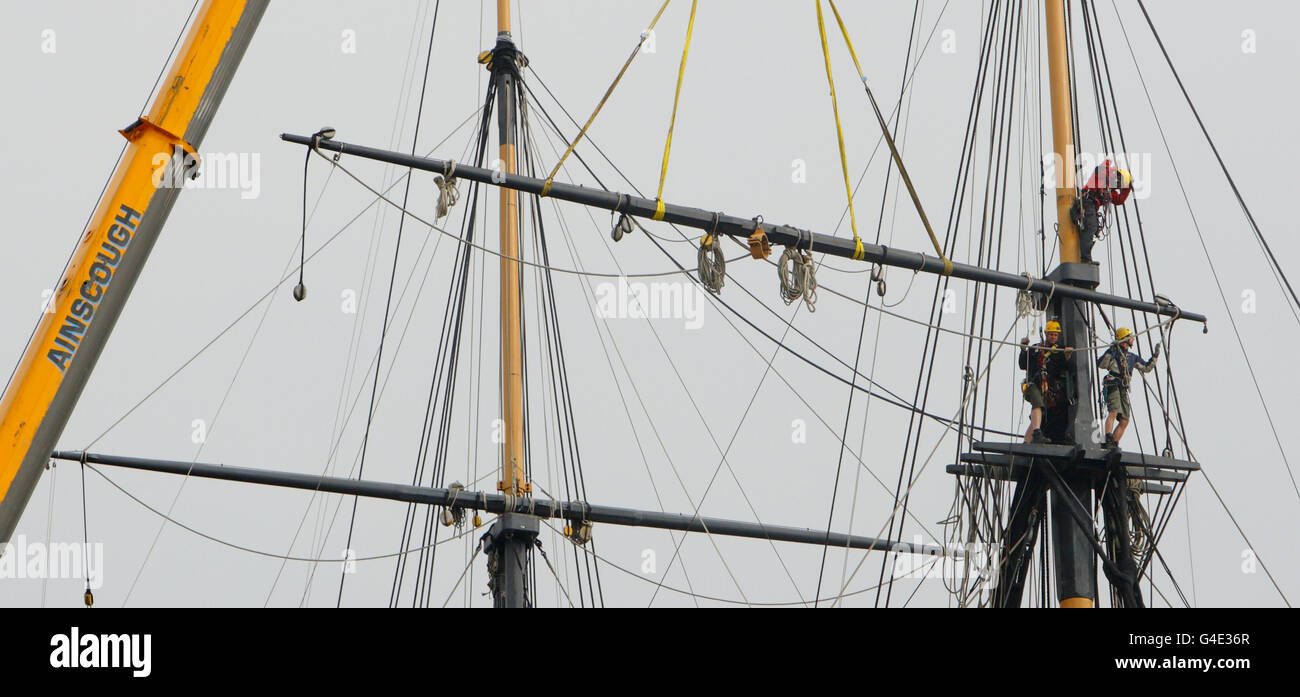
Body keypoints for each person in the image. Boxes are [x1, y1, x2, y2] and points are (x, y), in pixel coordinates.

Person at [1097, 327, 1160, 447]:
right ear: (1124, 339)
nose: (1133, 339)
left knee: (1125, 420)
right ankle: (1108, 437)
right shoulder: (1114, 352)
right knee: (1113, 411)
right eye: (1130, 337)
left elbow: (1146, 367)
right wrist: (1110, 351)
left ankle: (1114, 443)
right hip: (1113, 384)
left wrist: (1155, 356)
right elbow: (1102, 364)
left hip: (1123, 387)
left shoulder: (1132, 357)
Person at [1019, 320, 1073, 443]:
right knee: (1038, 404)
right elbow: (1023, 365)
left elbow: (1066, 369)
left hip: (1048, 388)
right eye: (1051, 334)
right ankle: (1037, 433)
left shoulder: (1060, 351)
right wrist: (1023, 350)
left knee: (1045, 412)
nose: (1053, 337)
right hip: (1034, 384)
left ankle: (1027, 442)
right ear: (1046, 334)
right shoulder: (1036, 349)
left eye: (1055, 335)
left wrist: (1067, 357)